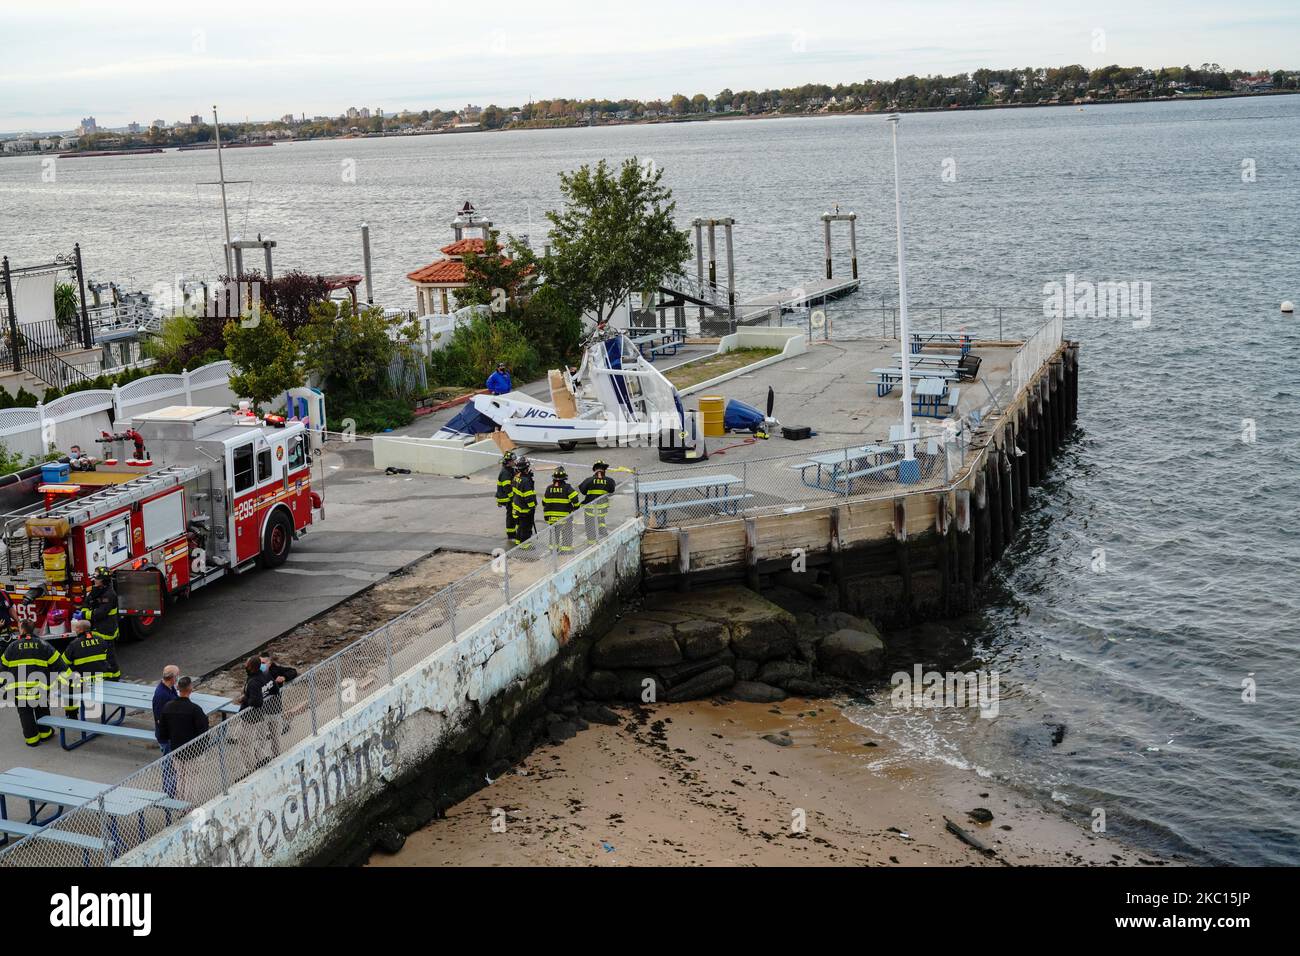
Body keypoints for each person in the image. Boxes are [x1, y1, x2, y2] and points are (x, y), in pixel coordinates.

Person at [0, 626, 60, 746]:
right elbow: (59, 663)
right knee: (42, 709)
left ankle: (32, 740)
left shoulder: (12, 646)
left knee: (25, 713)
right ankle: (45, 734)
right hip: (40, 688)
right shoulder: (43, 645)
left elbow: (2, 667)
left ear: (22, 630)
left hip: (18, 690)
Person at [58, 617, 120, 719]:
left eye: (76, 628)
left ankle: (72, 714)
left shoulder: (74, 644)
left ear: (80, 630)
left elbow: (63, 663)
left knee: (65, 681)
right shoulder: (101, 640)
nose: (75, 630)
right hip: (100, 680)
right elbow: (111, 660)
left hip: (83, 682)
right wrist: (115, 678)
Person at [160, 676, 210, 800]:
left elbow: (162, 732)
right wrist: (202, 748)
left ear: (178, 688)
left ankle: (180, 801)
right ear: (190, 689)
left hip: (176, 749)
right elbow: (204, 731)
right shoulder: (195, 710)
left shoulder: (168, 707)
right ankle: (189, 804)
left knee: (180, 777)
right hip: (193, 750)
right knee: (191, 779)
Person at [541, 466, 580, 553]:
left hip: (552, 518)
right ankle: (566, 550)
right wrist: (576, 507)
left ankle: (553, 551)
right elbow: (575, 498)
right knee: (566, 533)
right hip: (565, 518)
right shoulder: (567, 488)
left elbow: (544, 502)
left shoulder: (549, 489)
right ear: (564, 478)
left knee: (554, 535)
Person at [579, 459, 617, 542]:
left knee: (590, 526)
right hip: (602, 509)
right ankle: (604, 536)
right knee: (601, 520)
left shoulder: (588, 480)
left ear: (595, 470)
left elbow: (583, 491)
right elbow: (612, 490)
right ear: (604, 470)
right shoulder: (610, 481)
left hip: (590, 509)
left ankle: (591, 542)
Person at [86, 568, 120, 644]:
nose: (94, 580)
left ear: (103, 581)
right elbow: (87, 601)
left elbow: (100, 613)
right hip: (96, 629)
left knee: (106, 651)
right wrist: (83, 609)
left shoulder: (109, 595)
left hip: (106, 633)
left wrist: (83, 614)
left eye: (97, 578)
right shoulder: (96, 589)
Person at [152, 665, 180, 754]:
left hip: (171, 734)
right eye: (178, 675)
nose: (178, 678)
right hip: (166, 737)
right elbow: (159, 719)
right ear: (173, 678)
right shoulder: (161, 695)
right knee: (168, 760)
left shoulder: (170, 687)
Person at [511, 458, 537, 549]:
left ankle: (518, 541)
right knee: (526, 528)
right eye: (528, 468)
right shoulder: (525, 481)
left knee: (520, 526)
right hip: (525, 509)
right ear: (525, 469)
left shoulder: (516, 477)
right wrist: (532, 507)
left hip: (517, 506)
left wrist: (528, 477)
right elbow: (528, 496)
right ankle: (526, 546)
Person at [496, 451, 517, 542]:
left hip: (509, 496)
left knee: (512, 514)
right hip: (506, 498)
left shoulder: (509, 469)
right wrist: (513, 498)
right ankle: (511, 535)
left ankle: (513, 533)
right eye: (513, 460)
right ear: (508, 462)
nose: (514, 462)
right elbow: (507, 487)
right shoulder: (505, 472)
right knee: (511, 515)